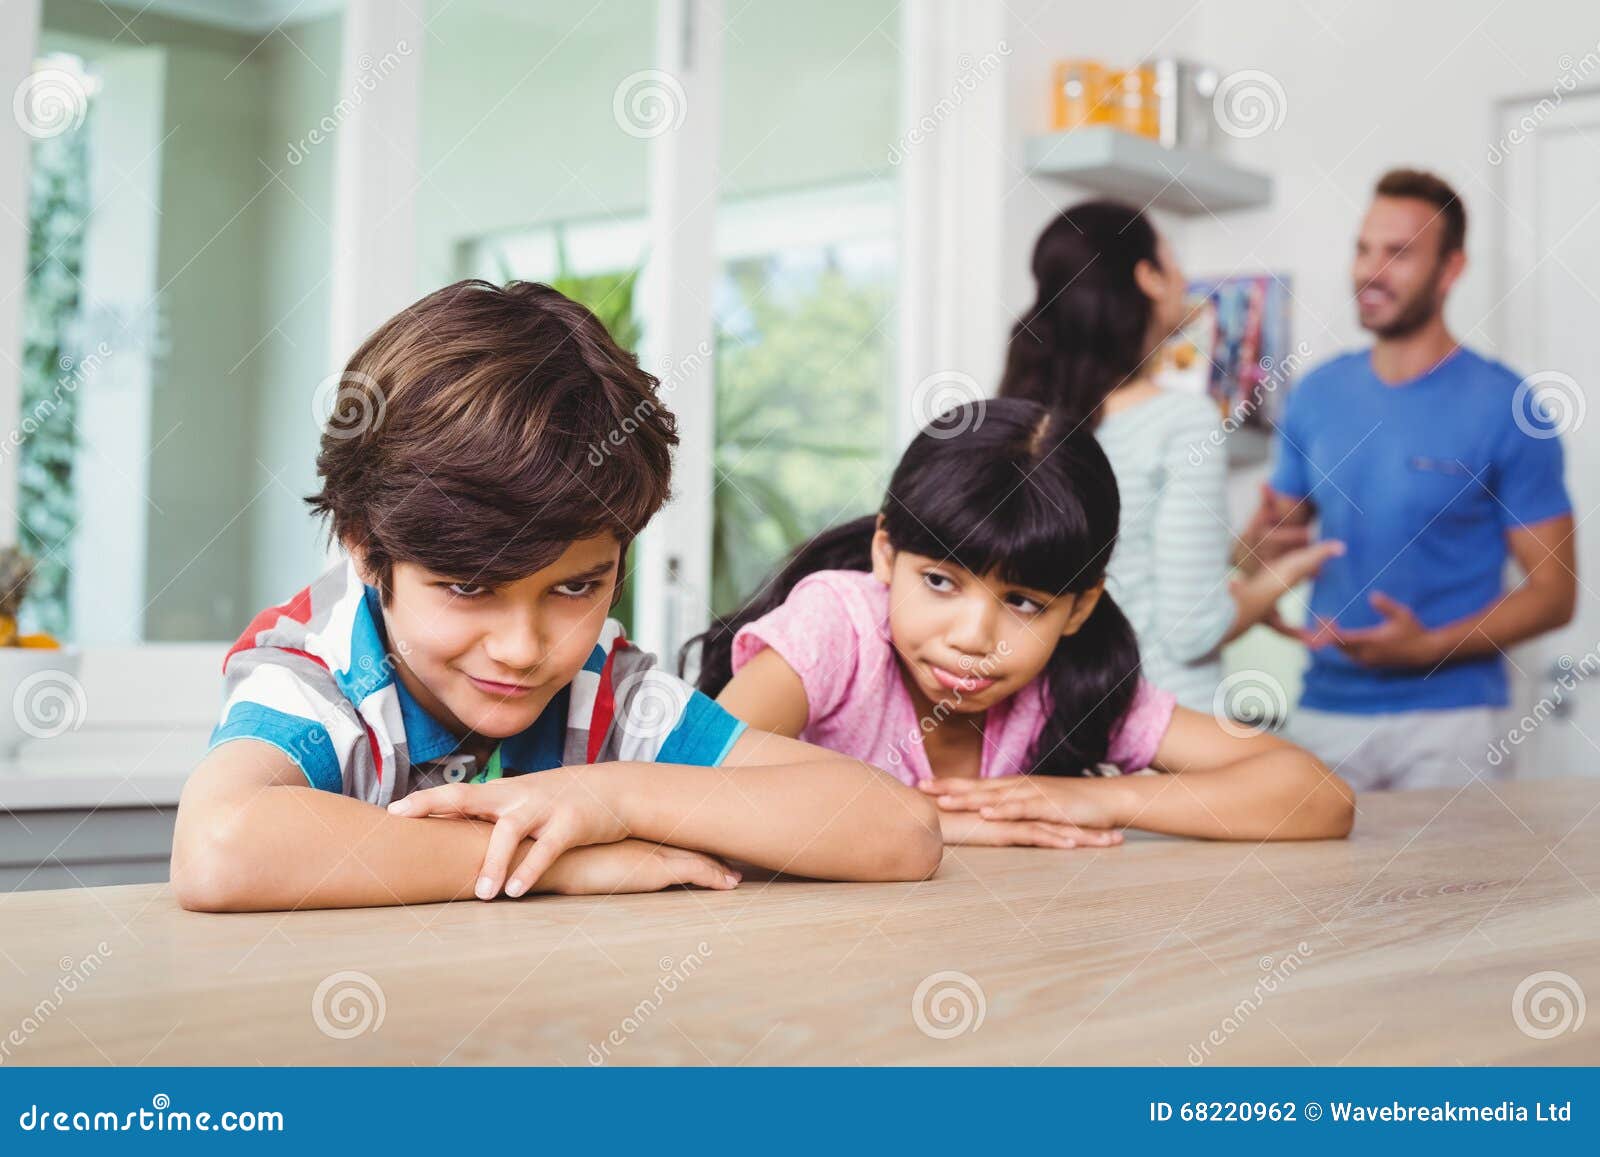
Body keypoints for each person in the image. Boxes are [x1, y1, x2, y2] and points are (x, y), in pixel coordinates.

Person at [170, 280, 942, 913]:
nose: (523, 647)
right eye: (469, 587)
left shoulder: (602, 687)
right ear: (368, 553)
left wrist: (608, 797)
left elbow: (900, 830)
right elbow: (219, 847)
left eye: (576, 586)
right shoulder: (322, 672)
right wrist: (548, 861)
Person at [688, 398, 1354, 848]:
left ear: (1079, 608)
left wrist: (1101, 801)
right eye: (941, 581)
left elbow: (1318, 796)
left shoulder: (1075, 679)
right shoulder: (837, 627)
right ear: (886, 555)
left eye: (1025, 601)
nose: (974, 636)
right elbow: (697, 784)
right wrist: (945, 821)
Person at [1239, 169, 1575, 790]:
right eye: (1364, 249)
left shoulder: (1508, 406)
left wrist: (1431, 647)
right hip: (1324, 711)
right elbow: (1263, 552)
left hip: (1453, 724)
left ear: (1451, 269)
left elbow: (1557, 592)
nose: (1370, 271)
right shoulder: (1316, 394)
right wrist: (1257, 543)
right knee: (1315, 891)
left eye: (1398, 254)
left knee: (1459, 892)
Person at [1000, 199, 1339, 710]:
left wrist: (1238, 556)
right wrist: (1288, 574)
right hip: (1161, 726)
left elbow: (1123, 564)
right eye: (1173, 259)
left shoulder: (1030, 420)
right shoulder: (1181, 421)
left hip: (1057, 718)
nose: (1185, 278)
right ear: (1148, 278)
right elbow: (1193, 630)